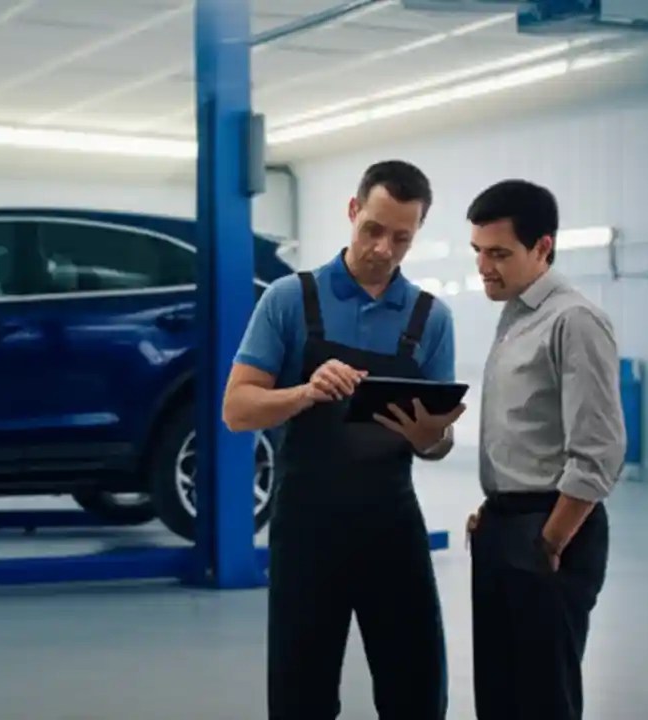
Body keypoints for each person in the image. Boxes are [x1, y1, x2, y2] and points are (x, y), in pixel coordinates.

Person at [222, 160, 464, 720]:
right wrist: (304, 392)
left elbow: (439, 442)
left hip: (392, 527)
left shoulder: (432, 319)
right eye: (373, 229)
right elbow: (236, 409)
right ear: (353, 212)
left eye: (401, 237)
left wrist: (431, 438)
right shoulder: (289, 300)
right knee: (300, 695)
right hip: (307, 529)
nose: (384, 248)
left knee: (417, 690)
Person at [464, 179, 626, 720]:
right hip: (506, 523)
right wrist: (495, 510)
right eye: (479, 252)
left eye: (500, 254)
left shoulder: (573, 321)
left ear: (543, 248)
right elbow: (528, 432)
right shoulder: (514, 315)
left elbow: (599, 449)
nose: (485, 266)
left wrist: (549, 538)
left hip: (550, 530)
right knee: (500, 692)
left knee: (542, 699)